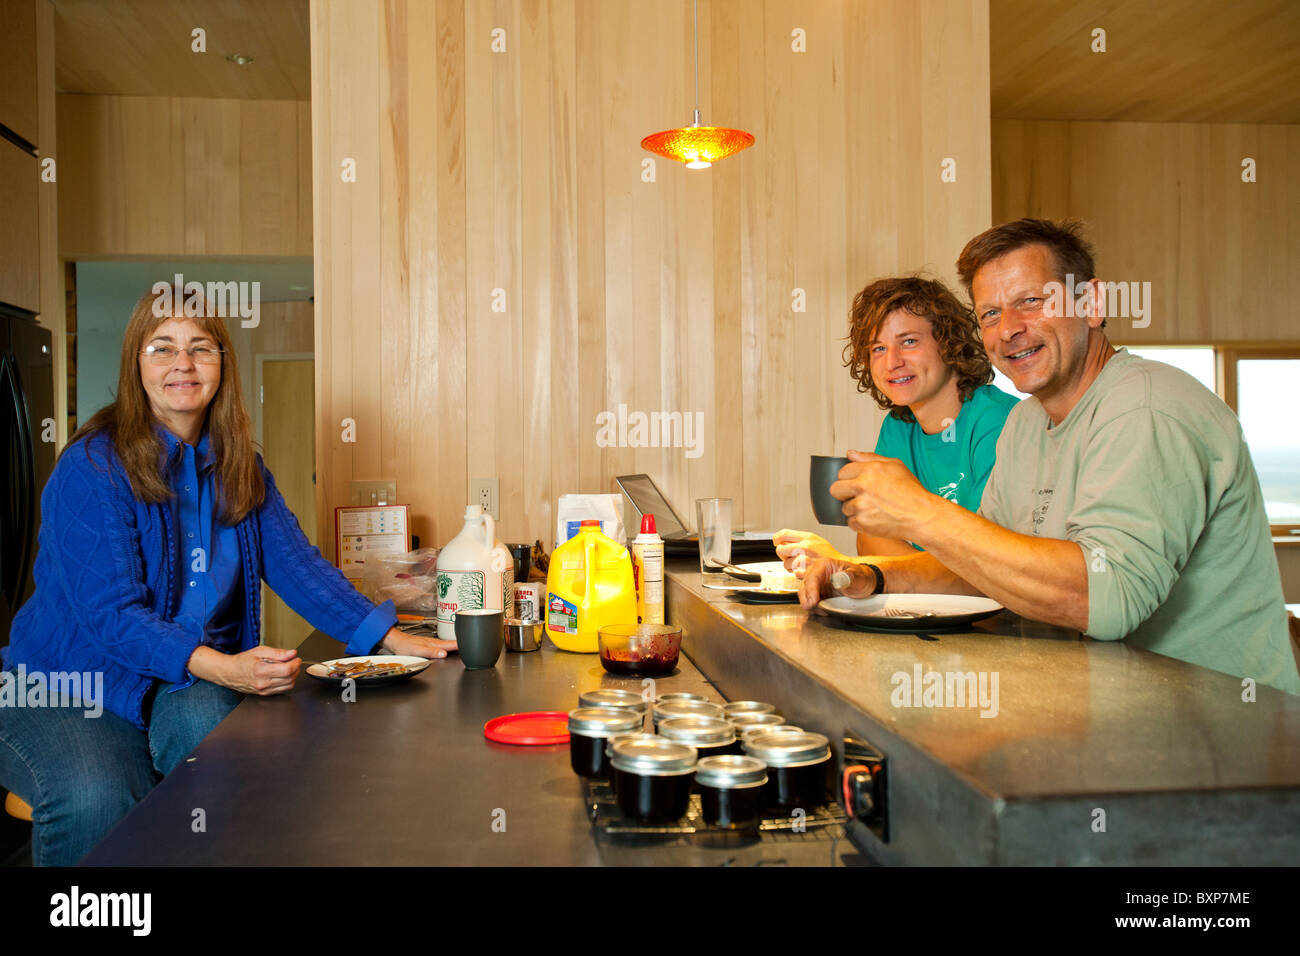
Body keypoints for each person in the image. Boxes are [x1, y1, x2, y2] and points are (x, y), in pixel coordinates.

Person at [0, 284, 458, 865]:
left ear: (223, 363)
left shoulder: (239, 464)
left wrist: (390, 638)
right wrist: (224, 668)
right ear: (134, 364)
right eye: (161, 347)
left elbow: (295, 565)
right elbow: (110, 616)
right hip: (71, 684)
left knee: (233, 762)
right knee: (98, 798)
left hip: (179, 678)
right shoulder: (93, 466)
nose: (183, 364)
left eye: (201, 347)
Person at [799, 219, 1300, 696]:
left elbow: (1106, 599)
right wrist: (873, 576)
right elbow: (979, 568)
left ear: (1092, 303)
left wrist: (919, 512)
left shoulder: (1146, 408)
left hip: (1220, 737)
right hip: (1103, 710)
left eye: (1031, 302)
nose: (1008, 329)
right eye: (991, 313)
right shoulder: (1026, 425)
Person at [774, 275, 1018, 565]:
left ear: (949, 343)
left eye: (909, 341)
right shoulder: (898, 426)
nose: (892, 362)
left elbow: (988, 561)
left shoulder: (1000, 421)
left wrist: (847, 565)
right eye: (878, 348)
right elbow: (870, 534)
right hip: (924, 606)